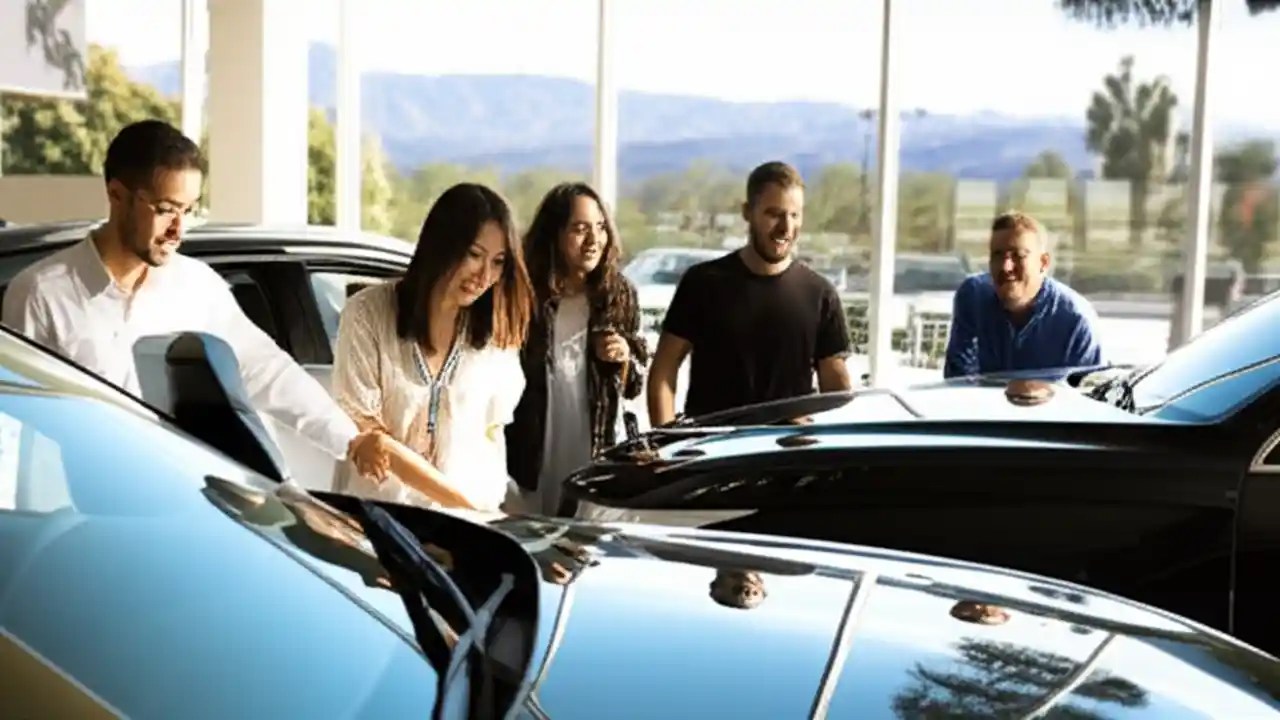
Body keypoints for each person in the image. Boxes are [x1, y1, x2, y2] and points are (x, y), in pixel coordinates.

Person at [1, 119, 379, 469]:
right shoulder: (41, 295)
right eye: (166, 210)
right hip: (87, 516)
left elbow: (264, 369)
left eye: (189, 210)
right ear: (117, 195)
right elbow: (15, 428)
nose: (178, 230)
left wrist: (350, 440)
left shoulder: (197, 286)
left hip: (186, 502)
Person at [331, 182, 533, 513]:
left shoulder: (496, 334)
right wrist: (467, 507)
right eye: (474, 255)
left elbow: (491, 438)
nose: (484, 275)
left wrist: (488, 514)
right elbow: (370, 437)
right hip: (384, 519)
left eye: (498, 262)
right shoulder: (368, 313)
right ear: (442, 245)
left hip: (470, 525)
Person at [647, 161, 852, 426]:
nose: (785, 227)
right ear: (747, 212)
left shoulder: (820, 294)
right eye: (774, 214)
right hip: (713, 455)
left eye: (794, 215)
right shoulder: (703, 283)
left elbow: (836, 392)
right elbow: (664, 371)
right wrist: (665, 444)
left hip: (788, 456)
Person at [506, 182, 647, 517]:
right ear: (554, 234)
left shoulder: (619, 294)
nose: (593, 240)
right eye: (580, 229)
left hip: (594, 448)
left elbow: (634, 386)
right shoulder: (526, 293)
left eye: (600, 228)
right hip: (531, 449)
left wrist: (624, 355)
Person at [943, 211, 1103, 379]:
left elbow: (1087, 397)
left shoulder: (1076, 321)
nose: (1006, 267)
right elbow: (958, 377)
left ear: (1043, 263)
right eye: (997, 255)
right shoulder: (973, 297)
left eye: (1018, 256)